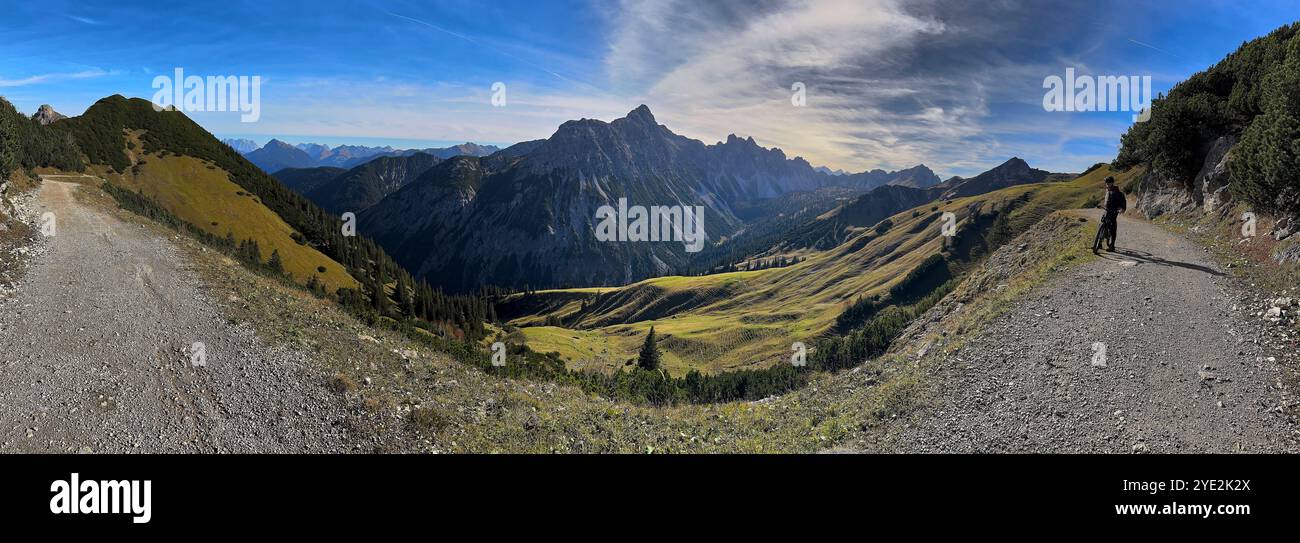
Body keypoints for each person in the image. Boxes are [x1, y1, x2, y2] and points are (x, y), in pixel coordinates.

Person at [1100, 175, 1126, 251]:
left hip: (1114, 211)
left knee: (1112, 228)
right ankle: (1099, 244)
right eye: (1106, 183)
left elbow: (1123, 203)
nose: (1107, 184)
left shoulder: (1118, 192)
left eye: (1109, 183)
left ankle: (1112, 246)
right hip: (1107, 210)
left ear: (1112, 183)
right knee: (1102, 224)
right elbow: (1106, 201)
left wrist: (1122, 209)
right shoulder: (1107, 191)